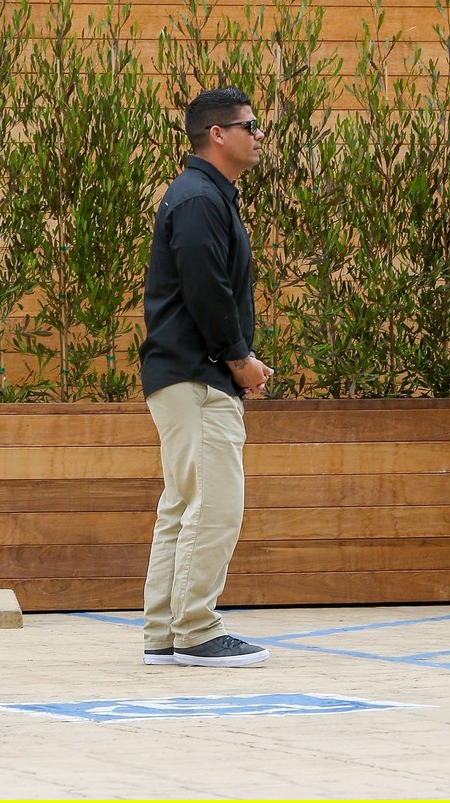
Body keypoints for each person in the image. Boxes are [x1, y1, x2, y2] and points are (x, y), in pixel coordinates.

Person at [138, 87, 273, 667]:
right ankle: (195, 630)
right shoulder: (198, 198)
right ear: (218, 134)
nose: (259, 135)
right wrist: (239, 359)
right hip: (197, 375)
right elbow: (205, 288)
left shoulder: (202, 195)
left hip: (184, 373)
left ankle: (165, 633)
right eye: (250, 125)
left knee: (183, 505)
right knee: (214, 505)